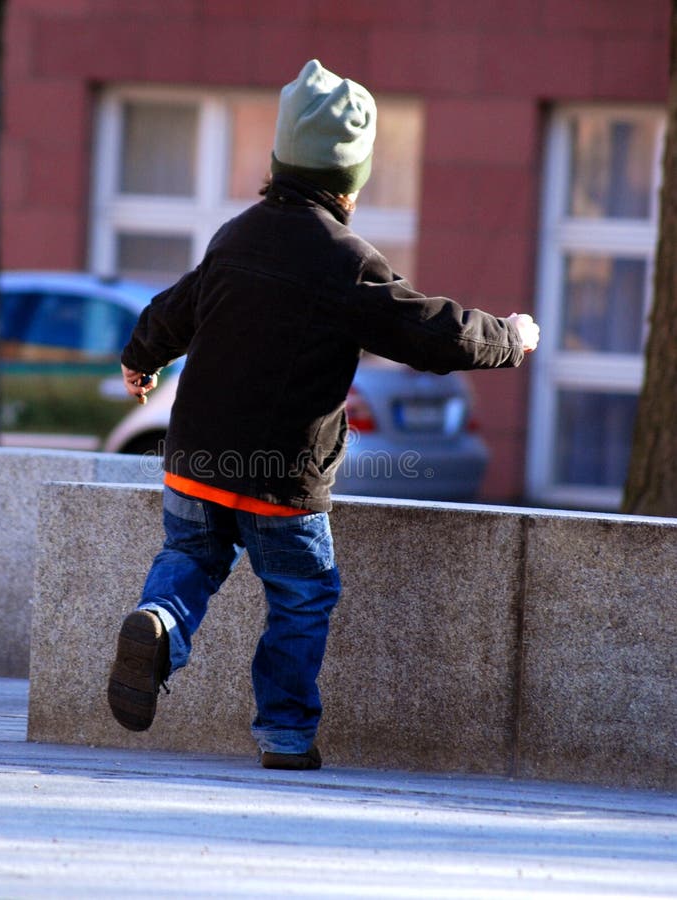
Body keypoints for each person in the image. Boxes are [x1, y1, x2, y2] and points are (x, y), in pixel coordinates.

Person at [107, 59, 540, 770]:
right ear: (353, 181)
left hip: (196, 460)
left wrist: (141, 355)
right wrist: (511, 338)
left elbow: (178, 306)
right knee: (301, 596)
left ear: (279, 159)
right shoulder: (350, 263)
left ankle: (160, 623)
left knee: (189, 557)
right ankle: (283, 734)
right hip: (282, 481)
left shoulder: (235, 236)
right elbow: (432, 332)